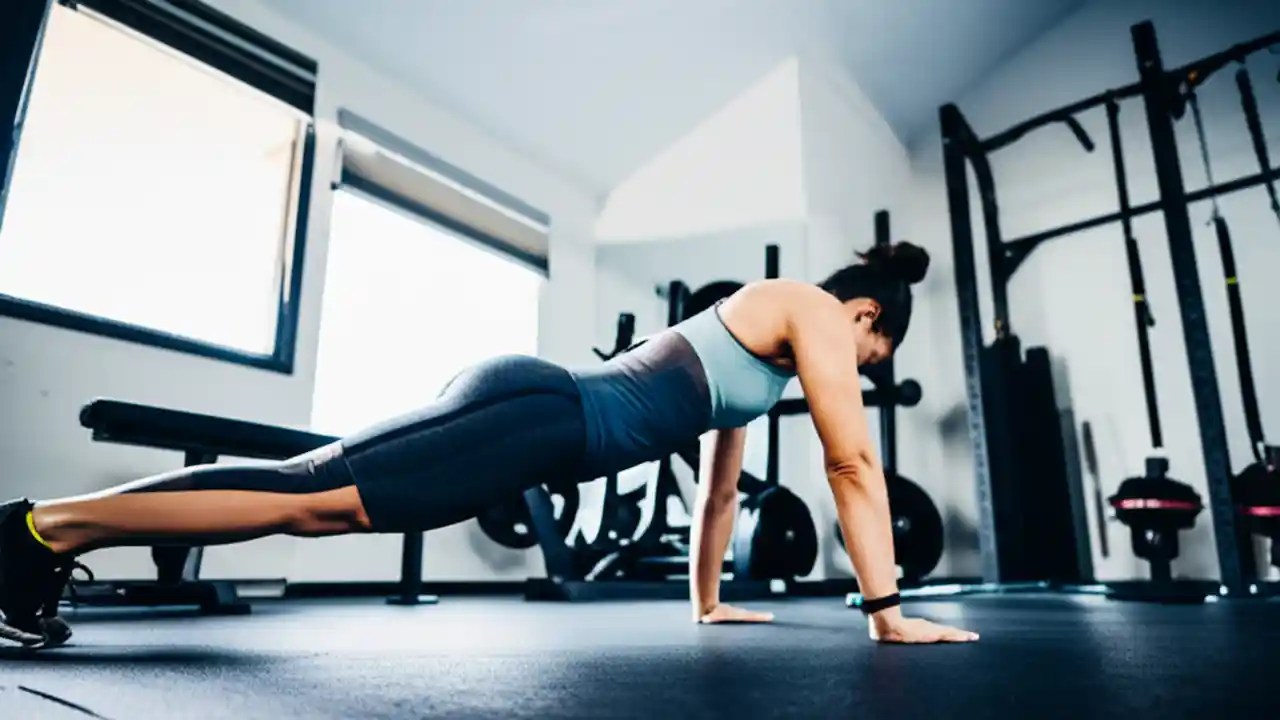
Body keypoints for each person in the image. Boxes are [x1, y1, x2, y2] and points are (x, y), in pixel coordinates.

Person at [0, 241, 978, 648]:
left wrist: (710, 601)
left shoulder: (755, 374)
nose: (855, 366)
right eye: (869, 347)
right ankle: (36, 531)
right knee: (312, 494)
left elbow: (719, 497)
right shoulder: (804, 307)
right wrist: (884, 609)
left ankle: (42, 539)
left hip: (535, 424)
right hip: (538, 413)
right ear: (860, 312)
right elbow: (849, 462)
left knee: (315, 499)